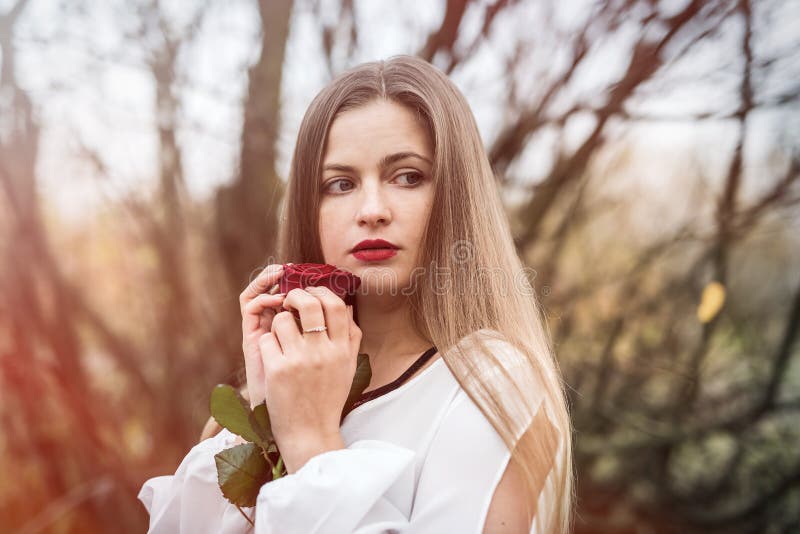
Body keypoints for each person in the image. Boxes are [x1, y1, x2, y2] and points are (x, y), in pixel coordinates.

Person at [138, 54, 575, 533]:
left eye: (407, 176)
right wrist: (267, 408)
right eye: (340, 184)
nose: (371, 210)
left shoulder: (492, 384)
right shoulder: (249, 407)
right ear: (311, 206)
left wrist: (309, 439)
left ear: (454, 195)